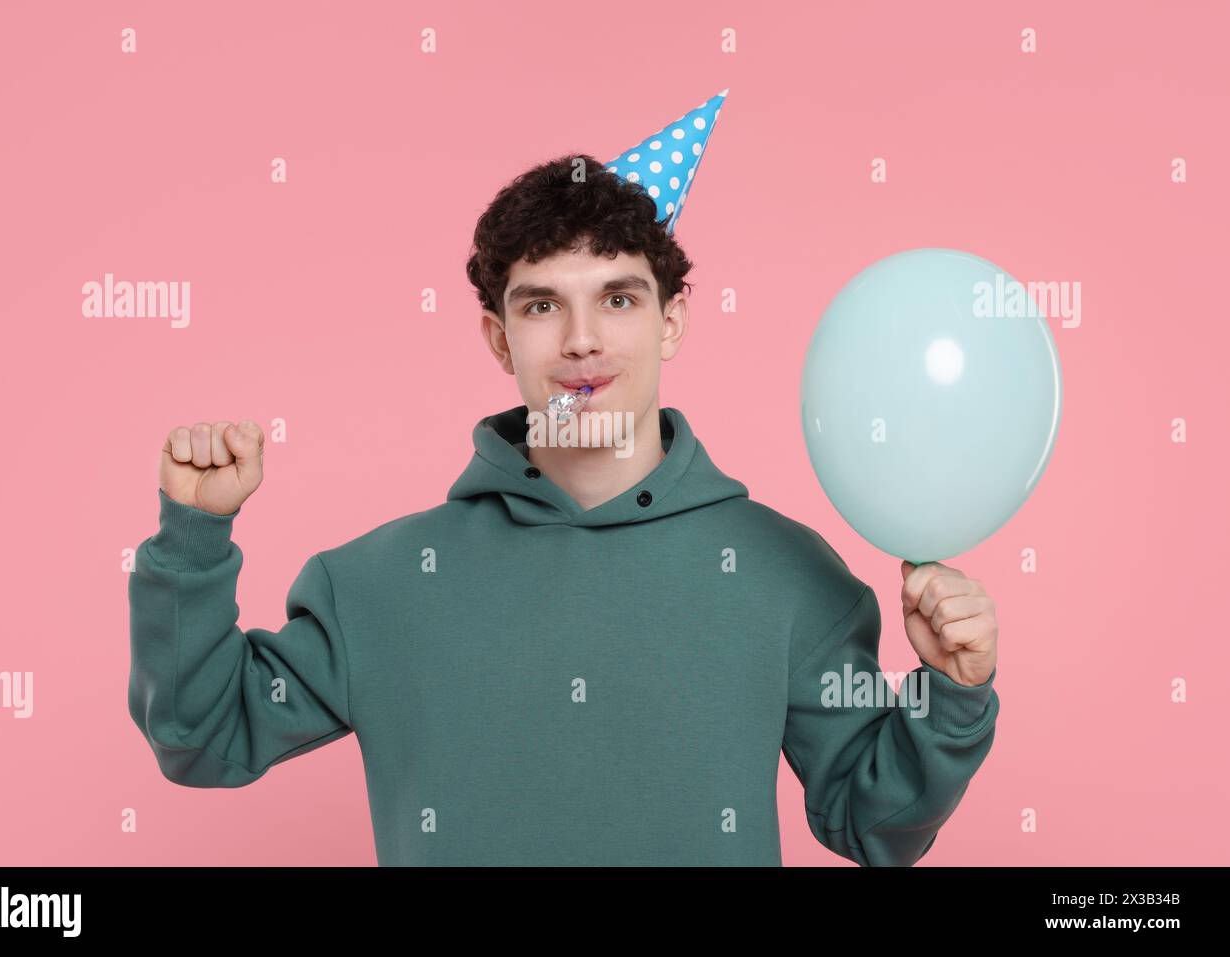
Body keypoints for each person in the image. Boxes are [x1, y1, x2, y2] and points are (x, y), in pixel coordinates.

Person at [128, 96, 999, 867]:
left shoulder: (787, 574)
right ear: (500, 339)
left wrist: (951, 697)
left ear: (673, 320)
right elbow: (200, 737)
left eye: (618, 298)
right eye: (542, 304)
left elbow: (873, 823)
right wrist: (194, 539)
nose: (581, 339)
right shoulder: (379, 584)